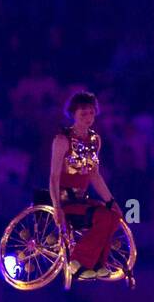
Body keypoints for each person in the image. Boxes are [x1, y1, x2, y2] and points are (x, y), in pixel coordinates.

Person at [50, 91, 125, 285]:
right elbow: (54, 176)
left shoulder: (94, 140)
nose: (88, 118)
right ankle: (77, 261)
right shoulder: (62, 140)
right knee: (101, 217)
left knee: (113, 216)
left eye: (91, 113)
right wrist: (56, 206)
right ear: (73, 114)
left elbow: (94, 175)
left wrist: (111, 201)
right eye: (83, 114)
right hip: (65, 200)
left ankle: (98, 263)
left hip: (82, 200)